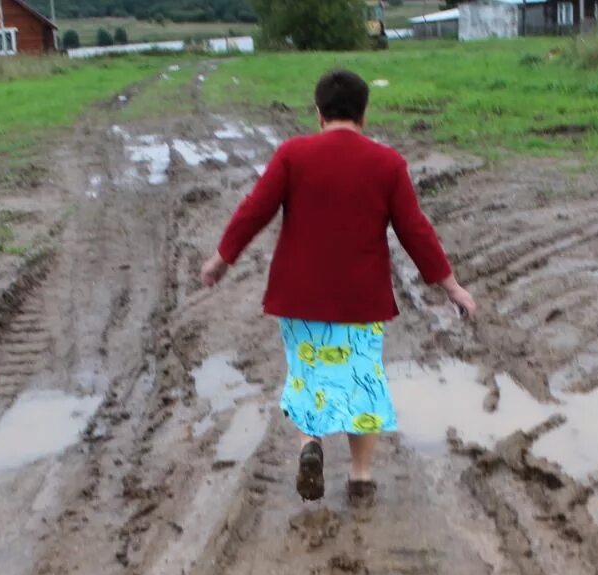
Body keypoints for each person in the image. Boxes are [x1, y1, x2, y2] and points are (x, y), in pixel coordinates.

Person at [200, 68, 476, 505]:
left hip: (299, 296)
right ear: (364, 115)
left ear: (319, 113)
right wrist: (451, 286)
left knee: (307, 373)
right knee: (362, 382)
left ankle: (310, 444)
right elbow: (415, 231)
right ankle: (361, 476)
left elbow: (255, 210)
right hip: (361, 300)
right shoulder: (387, 164)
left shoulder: (293, 155)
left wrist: (222, 258)